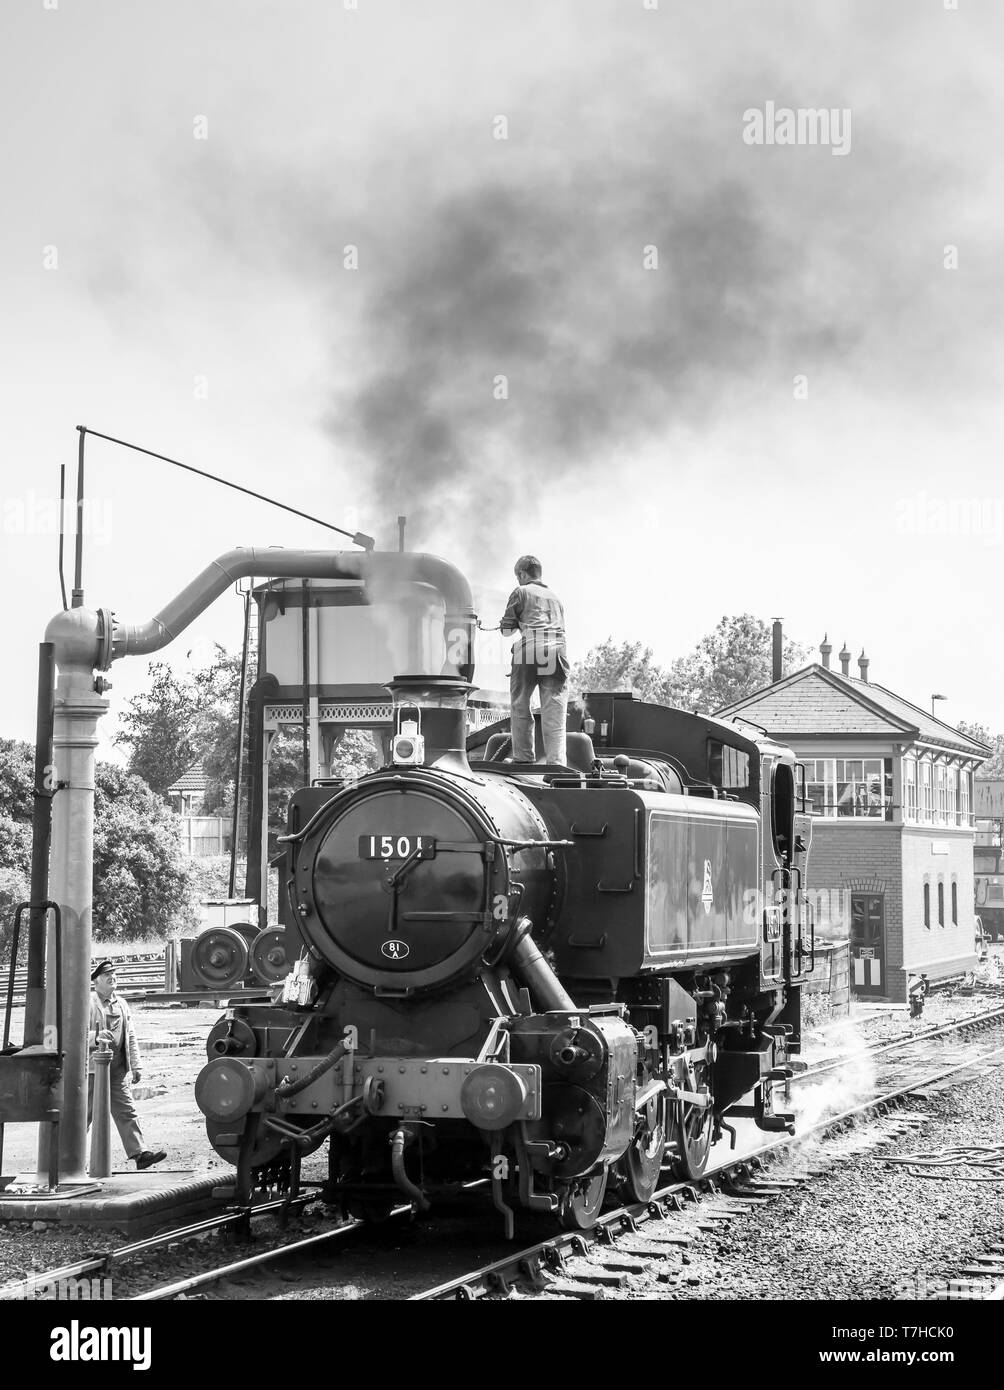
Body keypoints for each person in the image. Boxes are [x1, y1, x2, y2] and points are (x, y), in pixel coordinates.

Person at [88, 960, 166, 1170]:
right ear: (96, 981)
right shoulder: (87, 1003)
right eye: (107, 975)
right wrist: (95, 1037)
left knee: (126, 1111)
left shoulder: (122, 1003)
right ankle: (66, 1159)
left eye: (114, 974)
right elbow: (72, 1035)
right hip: (93, 1070)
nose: (112, 977)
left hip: (117, 1070)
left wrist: (136, 1065)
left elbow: (130, 1036)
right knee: (85, 1113)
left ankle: (140, 1154)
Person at [500, 555, 569, 765]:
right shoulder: (555, 598)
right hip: (557, 651)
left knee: (520, 703)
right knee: (554, 708)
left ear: (522, 574)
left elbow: (506, 630)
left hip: (530, 649)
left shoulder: (521, 592)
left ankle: (523, 758)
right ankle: (557, 764)